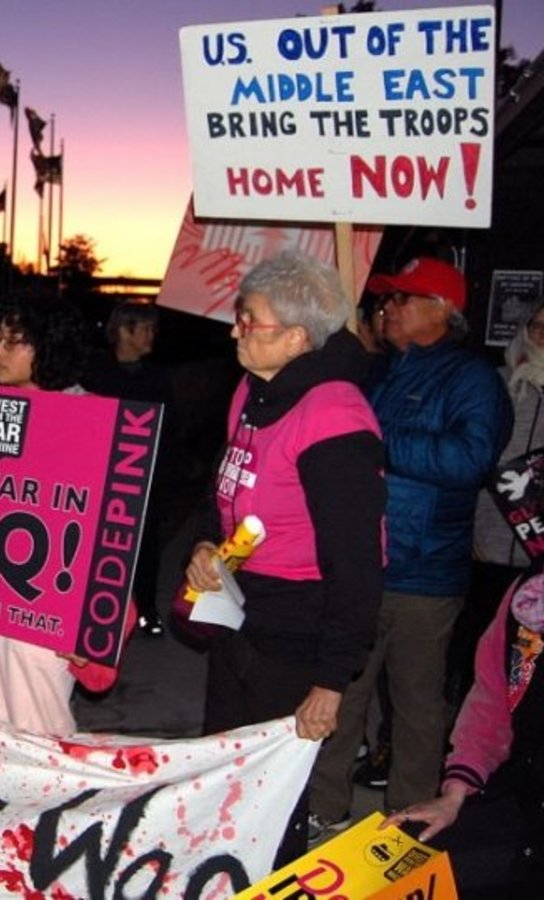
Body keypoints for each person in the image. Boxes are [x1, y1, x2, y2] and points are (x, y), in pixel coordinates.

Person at [184, 251, 386, 867]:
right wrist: (206, 547)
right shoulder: (253, 389)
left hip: (300, 623)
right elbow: (232, 490)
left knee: (272, 798)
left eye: (251, 321)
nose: (235, 331)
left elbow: (358, 562)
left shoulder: (334, 417)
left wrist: (331, 682)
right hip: (244, 606)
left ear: (297, 337)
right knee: (226, 775)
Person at [309, 256, 513, 840]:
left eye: (402, 298)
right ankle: (325, 807)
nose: (388, 308)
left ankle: (408, 821)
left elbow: (469, 460)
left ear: (442, 312)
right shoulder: (381, 371)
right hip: (362, 564)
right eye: (386, 299)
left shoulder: (473, 380)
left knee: (417, 707)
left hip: (423, 573)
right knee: (340, 694)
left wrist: (373, 439)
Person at [0, 293, 132, 736]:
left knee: (40, 720)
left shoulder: (89, 419)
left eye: (14, 342)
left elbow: (112, 527)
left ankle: (51, 802)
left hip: (50, 595)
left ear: (47, 348)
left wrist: (95, 620)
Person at [382, 567, 544, 896]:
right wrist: (455, 793)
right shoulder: (530, 595)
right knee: (392, 865)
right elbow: (493, 700)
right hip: (524, 800)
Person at [460, 299, 544, 700]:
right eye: (537, 325)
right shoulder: (495, 383)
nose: (541, 334)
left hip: (538, 566)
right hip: (484, 552)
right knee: (471, 659)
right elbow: (472, 460)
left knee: (523, 674)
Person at [83, 302, 170, 637]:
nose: (152, 336)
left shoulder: (156, 377)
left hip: (143, 480)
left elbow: (168, 428)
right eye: (145, 328)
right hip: (101, 480)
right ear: (124, 331)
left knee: (145, 550)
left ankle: (146, 613)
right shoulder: (95, 373)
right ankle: (100, 617)